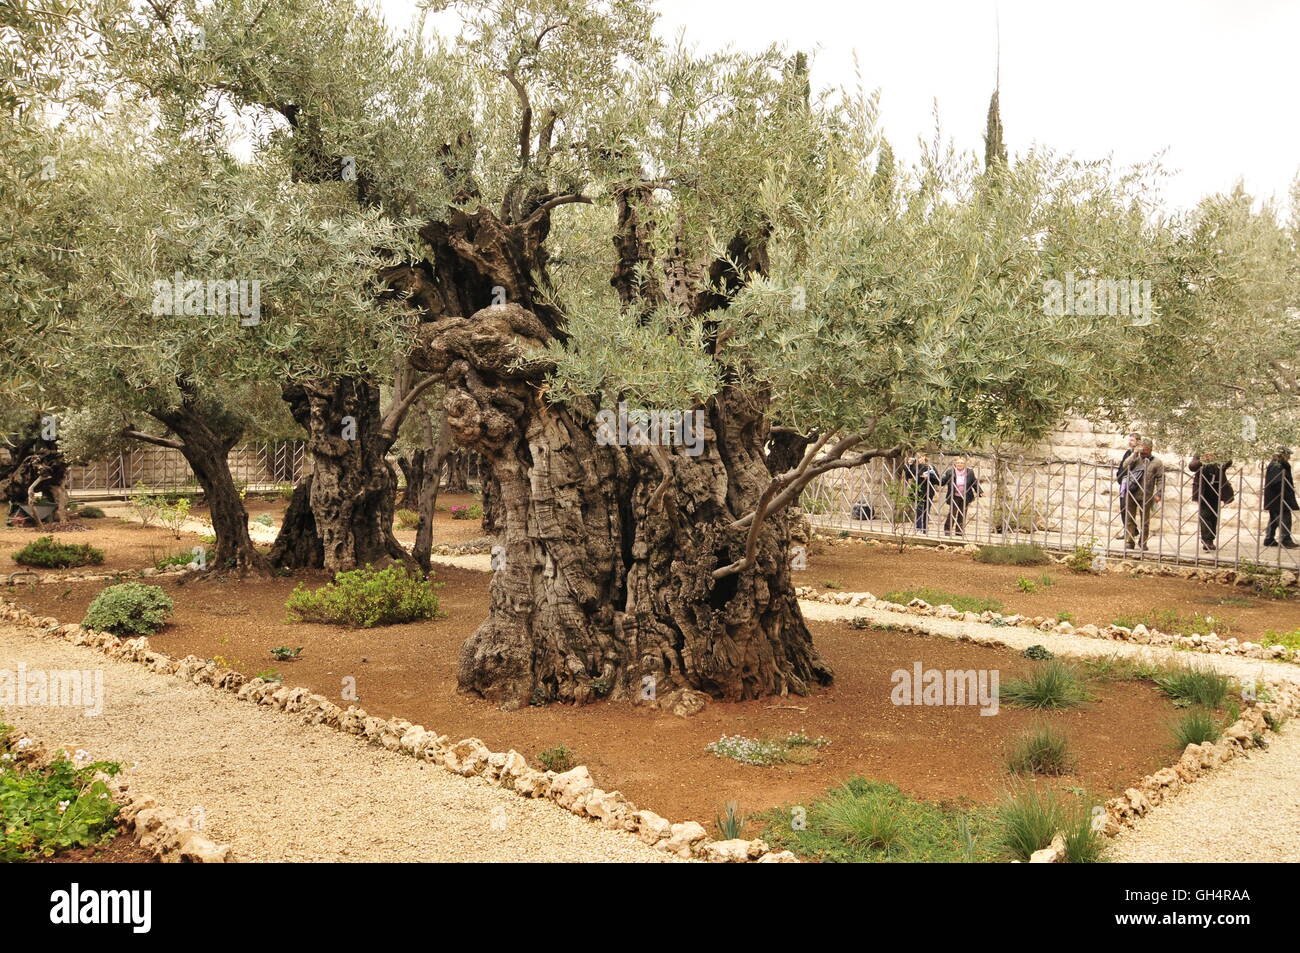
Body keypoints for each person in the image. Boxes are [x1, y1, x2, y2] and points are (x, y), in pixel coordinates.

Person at [1117, 438, 1164, 551]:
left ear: (1151, 449)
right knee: (1129, 519)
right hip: (1131, 493)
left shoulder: (1157, 462)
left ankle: (1143, 542)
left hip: (1146, 495)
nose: (1144, 452)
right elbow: (1125, 465)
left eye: (1146, 449)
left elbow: (1160, 479)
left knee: (1145, 521)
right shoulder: (1135, 458)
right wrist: (1135, 453)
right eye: (1142, 449)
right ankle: (1129, 541)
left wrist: (1159, 493)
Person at [1189, 452, 1233, 551]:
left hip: (1217, 490)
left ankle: (1210, 539)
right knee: (1205, 516)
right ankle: (1207, 541)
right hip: (1203, 490)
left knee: (1214, 516)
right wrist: (1203, 460)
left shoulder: (1219, 451)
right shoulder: (1200, 452)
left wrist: (1218, 457)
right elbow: (1192, 466)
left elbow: (1229, 462)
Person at [1263, 447, 1297, 548]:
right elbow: (1276, 482)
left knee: (1274, 519)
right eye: (1288, 455)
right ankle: (1285, 540)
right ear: (1282, 455)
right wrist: (1285, 492)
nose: (1289, 457)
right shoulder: (1276, 465)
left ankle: (1269, 539)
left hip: (1276, 498)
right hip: (1278, 498)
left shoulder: (1279, 465)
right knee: (1285, 518)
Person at [940, 457, 982, 536]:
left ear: (965, 464)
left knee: (962, 514)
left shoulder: (969, 472)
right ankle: (947, 530)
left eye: (962, 463)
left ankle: (959, 532)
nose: (960, 464)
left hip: (965, 496)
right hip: (954, 496)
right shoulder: (950, 472)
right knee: (952, 513)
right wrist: (932, 478)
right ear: (955, 464)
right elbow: (943, 481)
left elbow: (974, 483)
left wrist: (980, 491)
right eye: (958, 463)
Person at [1114, 432, 1142, 539]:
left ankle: (1132, 532)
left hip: (1134, 484)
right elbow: (1123, 466)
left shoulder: (1139, 454)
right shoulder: (1128, 452)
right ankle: (1131, 531)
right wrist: (1119, 476)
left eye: (1132, 440)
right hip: (1125, 483)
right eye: (1129, 440)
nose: (1130, 442)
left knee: (1129, 508)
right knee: (1123, 508)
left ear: (1138, 441)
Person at [903, 452, 940, 533]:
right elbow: (908, 476)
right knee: (919, 509)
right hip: (917, 491)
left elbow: (938, 480)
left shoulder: (930, 467)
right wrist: (909, 465)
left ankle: (925, 528)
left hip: (928, 490)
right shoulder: (914, 467)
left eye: (920, 457)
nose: (919, 459)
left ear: (924, 457)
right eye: (917, 458)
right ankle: (918, 527)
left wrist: (929, 476)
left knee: (927, 510)